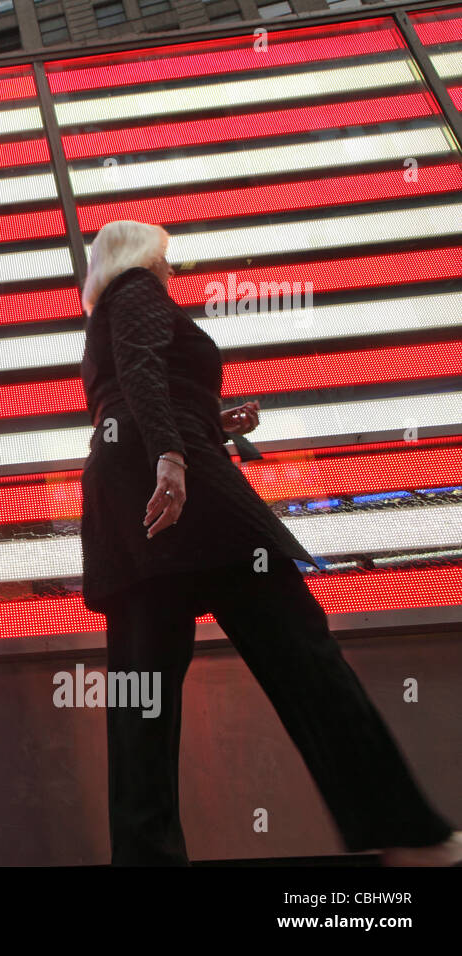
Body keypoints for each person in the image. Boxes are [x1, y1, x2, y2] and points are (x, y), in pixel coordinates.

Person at [78, 219, 461, 866]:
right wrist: (174, 455)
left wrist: (205, 421)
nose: (172, 271)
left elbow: (138, 389)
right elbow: (144, 370)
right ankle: (400, 830)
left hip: (125, 503)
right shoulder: (140, 288)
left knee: (141, 697)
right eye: (167, 259)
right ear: (142, 257)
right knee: (304, 657)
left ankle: (144, 857)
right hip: (188, 492)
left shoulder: (105, 311)